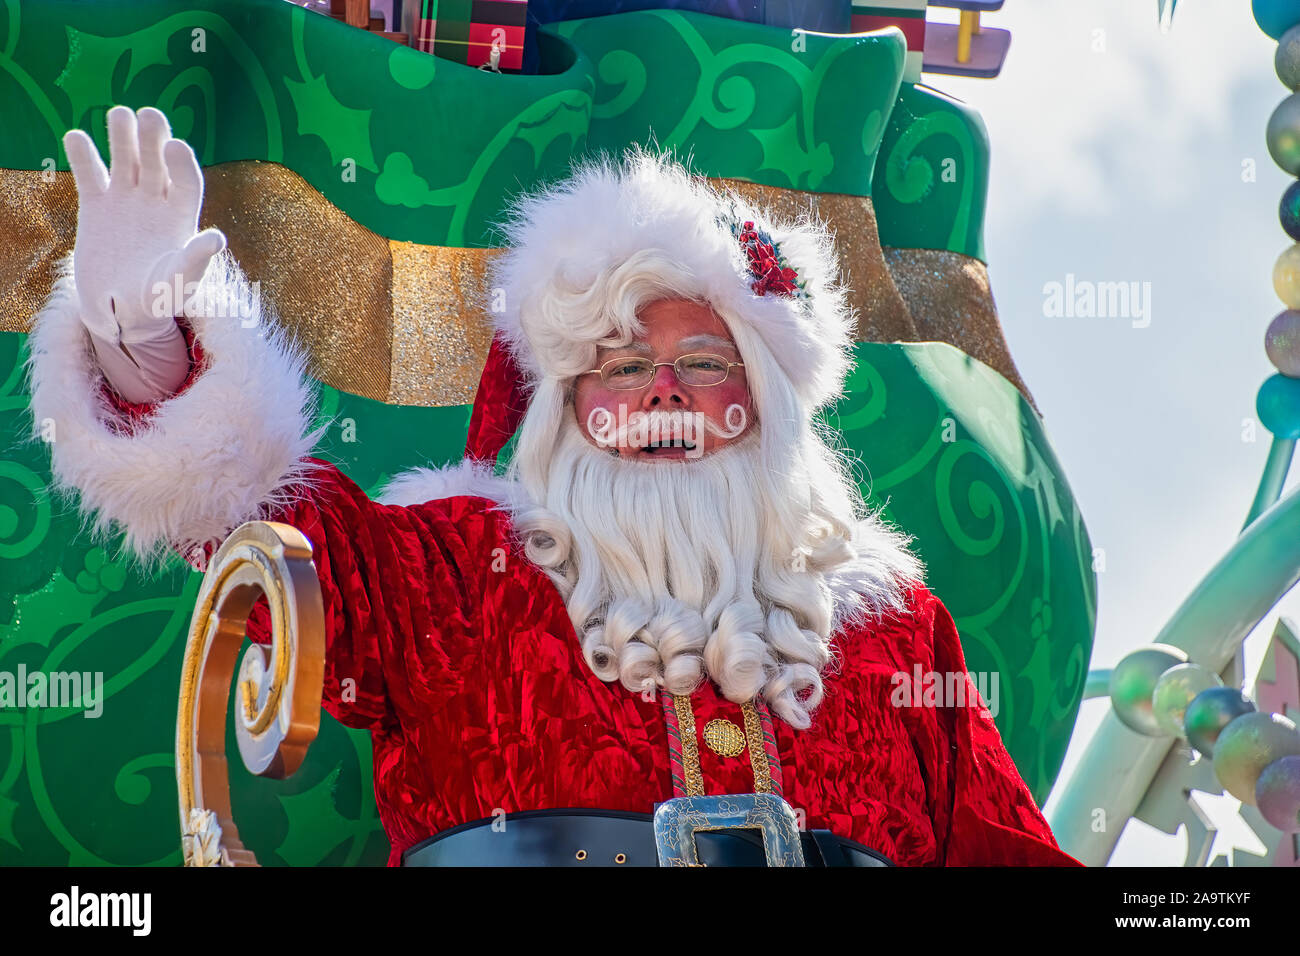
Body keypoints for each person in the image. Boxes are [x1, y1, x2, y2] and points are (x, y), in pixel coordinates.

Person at [27, 105, 1082, 867]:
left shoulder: (894, 629)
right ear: (564, 410)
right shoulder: (463, 566)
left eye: (707, 364)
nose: (664, 392)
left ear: (767, 401)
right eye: (621, 367)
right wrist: (148, 341)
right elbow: (268, 524)